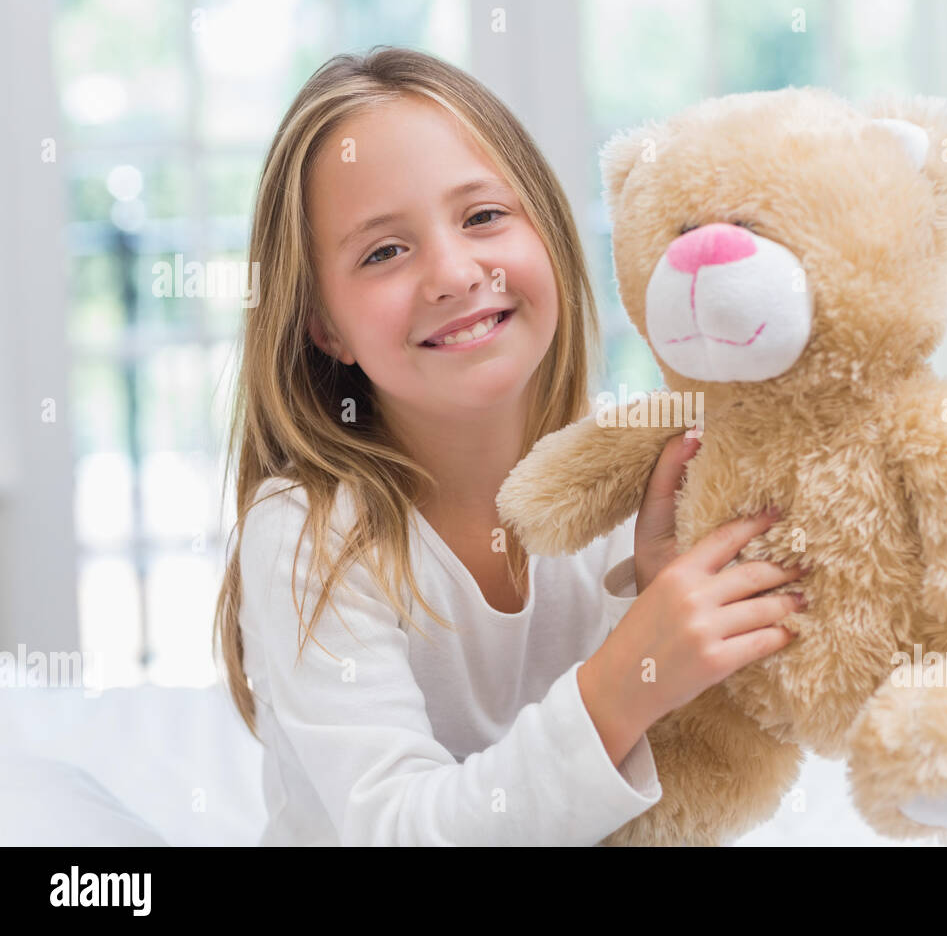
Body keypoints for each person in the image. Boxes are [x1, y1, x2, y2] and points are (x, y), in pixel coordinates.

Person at [212, 46, 804, 846]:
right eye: (384, 252)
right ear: (325, 326)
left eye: (483, 216)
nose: (455, 274)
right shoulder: (308, 531)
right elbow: (398, 830)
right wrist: (627, 676)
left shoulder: (635, 477)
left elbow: (673, 791)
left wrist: (660, 622)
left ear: (549, 233)